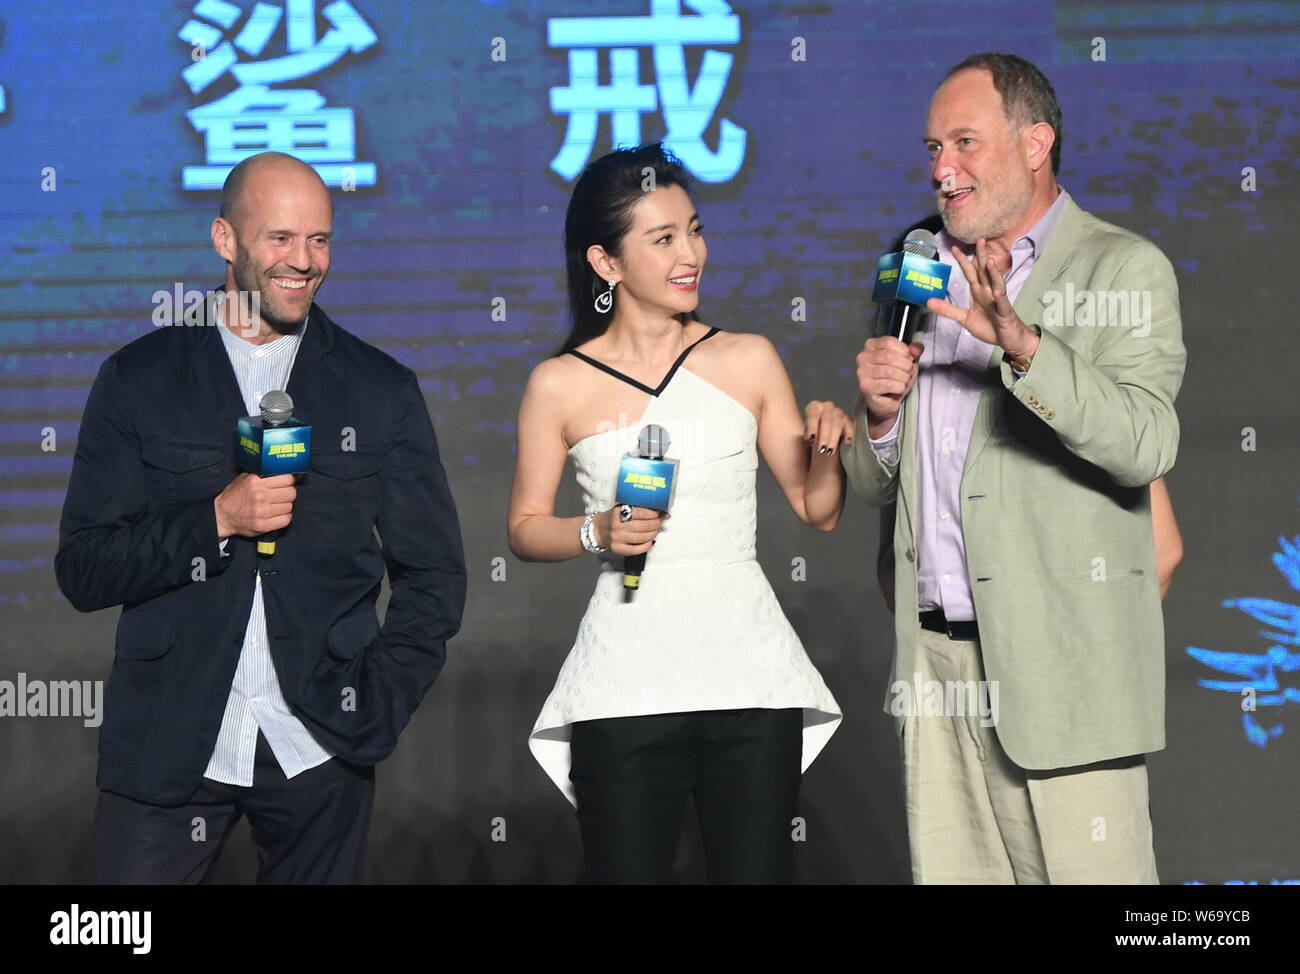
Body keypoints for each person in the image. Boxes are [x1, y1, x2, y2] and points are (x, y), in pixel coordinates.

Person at [55, 151, 466, 884]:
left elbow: (433, 576)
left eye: (320, 240)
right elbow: (84, 568)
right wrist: (214, 518)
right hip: (168, 739)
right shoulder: (138, 379)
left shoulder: (381, 390)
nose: (303, 262)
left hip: (320, 744)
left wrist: (375, 700)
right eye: (280, 238)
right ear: (225, 240)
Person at [841, 54, 1186, 884]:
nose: (941, 169)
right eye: (932, 148)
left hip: (1064, 677)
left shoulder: (1122, 269)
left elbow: (1144, 441)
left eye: (965, 142)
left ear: (1037, 143)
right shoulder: (920, 268)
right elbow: (874, 487)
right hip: (938, 680)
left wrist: (1024, 346)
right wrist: (881, 421)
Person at [509, 143, 846, 884]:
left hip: (748, 675)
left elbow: (818, 510)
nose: (690, 253)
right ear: (606, 263)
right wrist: (597, 531)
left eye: (694, 229)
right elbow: (526, 528)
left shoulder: (749, 359)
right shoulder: (558, 384)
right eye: (663, 239)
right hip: (625, 677)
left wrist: (827, 446)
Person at [878, 475, 1182, 610]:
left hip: (1068, 667)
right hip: (951, 668)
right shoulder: (925, 400)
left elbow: (1162, 555)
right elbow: (899, 583)